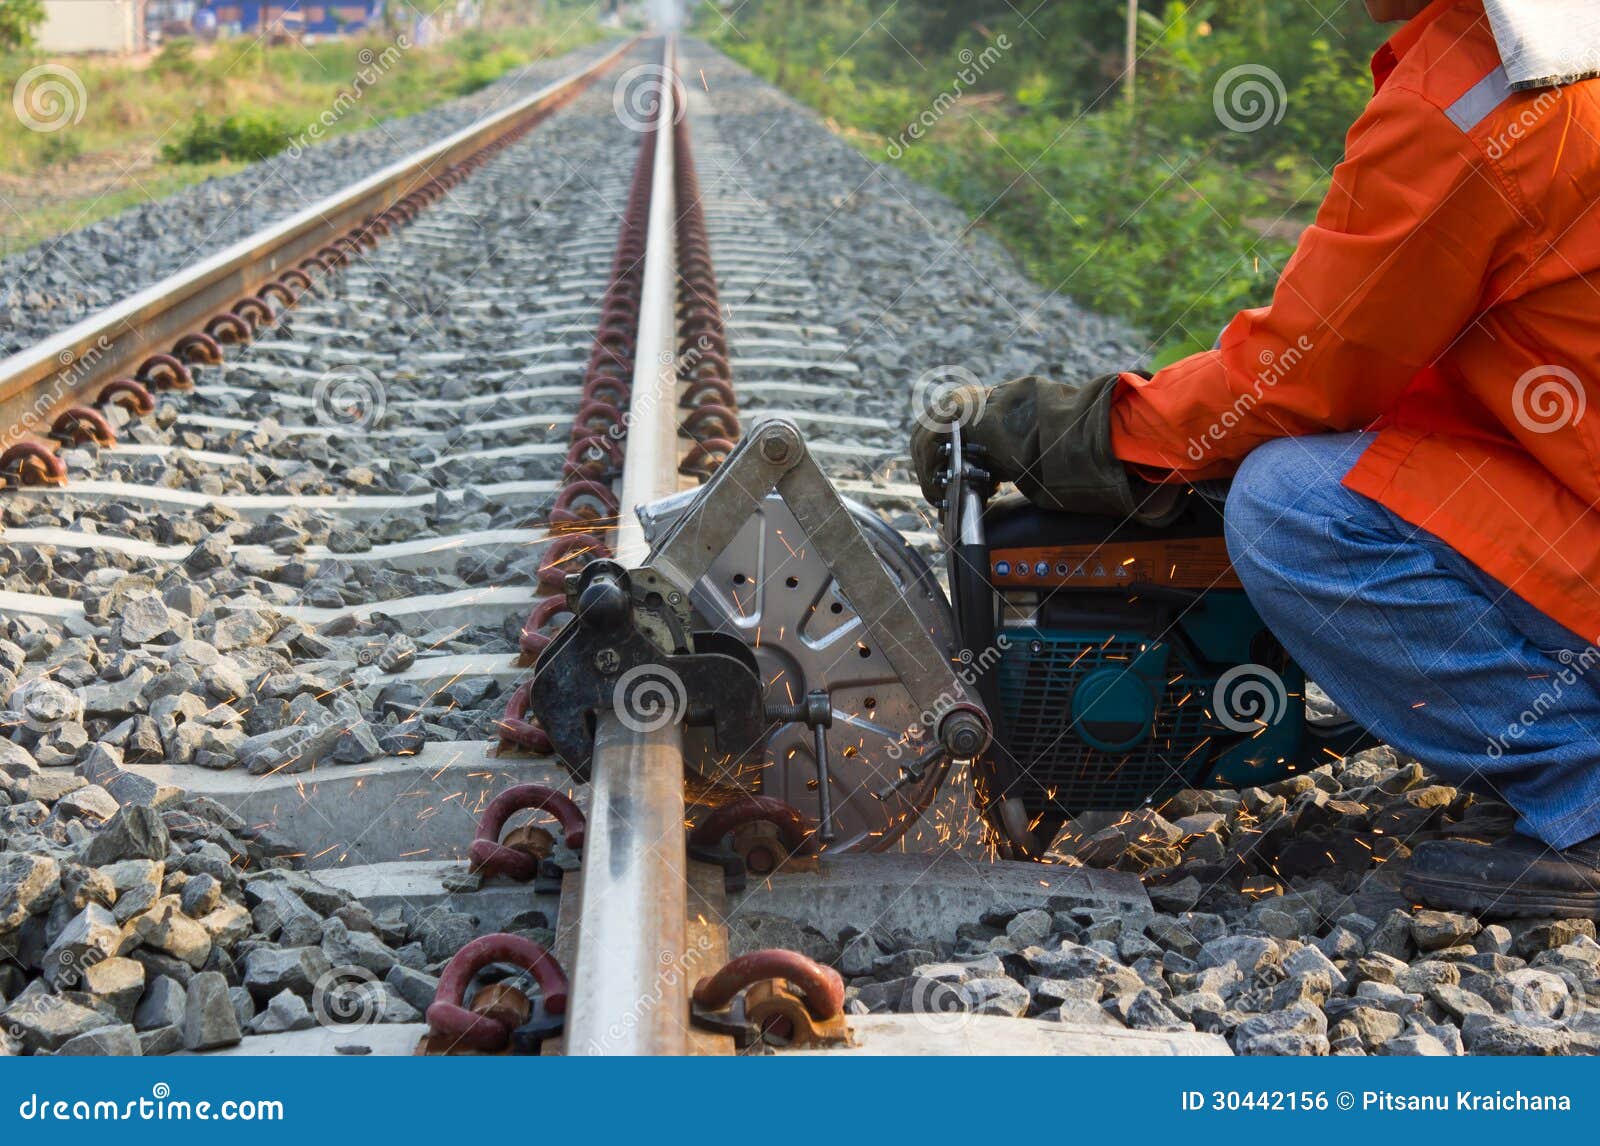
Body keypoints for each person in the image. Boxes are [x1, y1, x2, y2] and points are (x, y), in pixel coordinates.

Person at [912, 0, 1600, 918]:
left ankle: (1583, 792)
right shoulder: (1564, 50)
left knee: (1292, 508)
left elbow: (1305, 371)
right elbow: (1386, 351)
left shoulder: (1485, 92)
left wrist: (1087, 431)